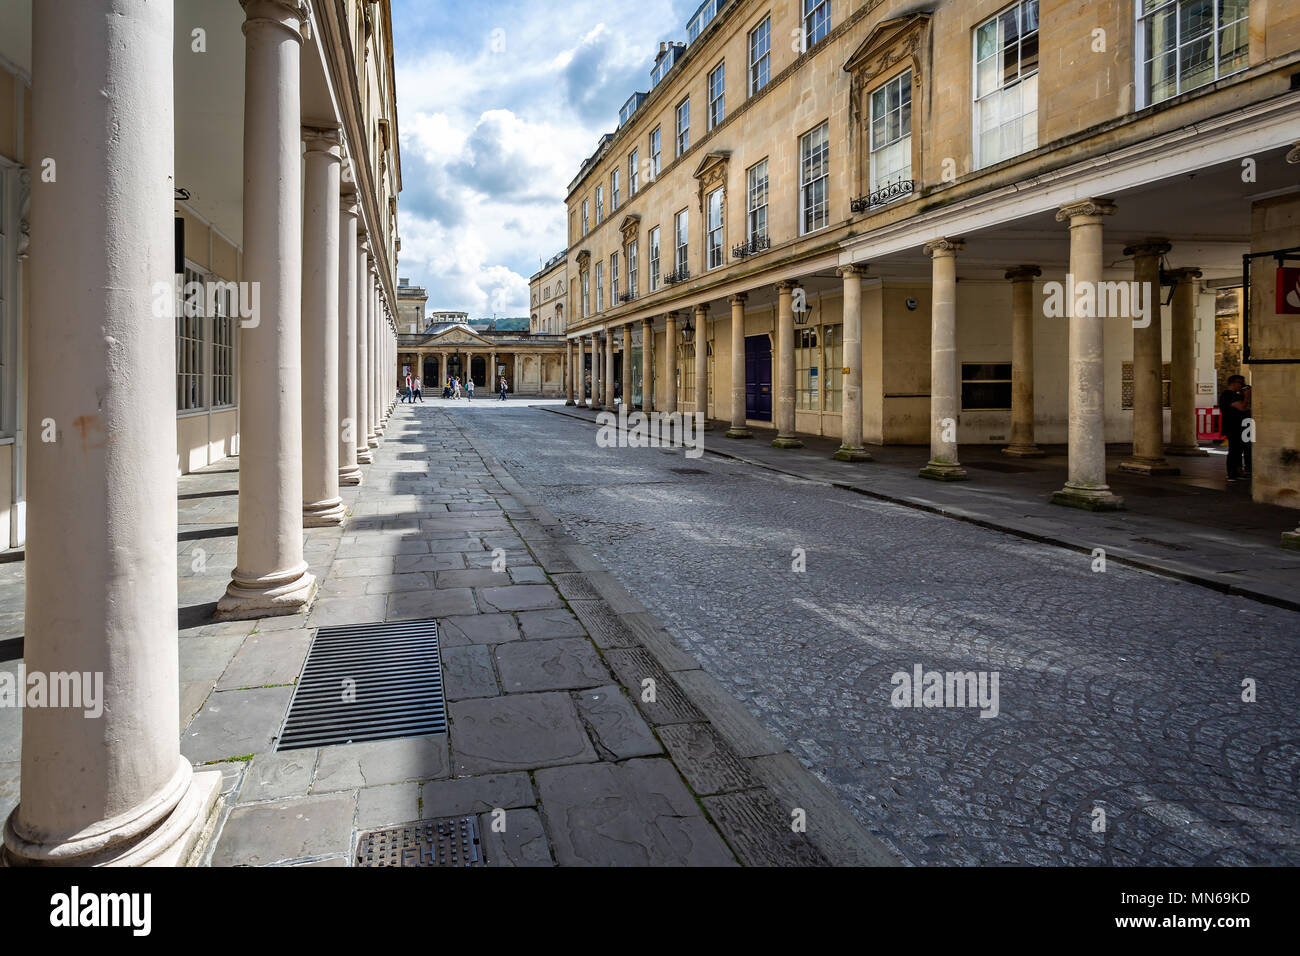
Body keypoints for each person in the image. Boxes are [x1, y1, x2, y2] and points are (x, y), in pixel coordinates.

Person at [1219, 375, 1252, 482]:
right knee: (1234, 450)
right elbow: (1242, 407)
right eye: (1241, 383)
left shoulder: (1236, 395)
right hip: (1233, 426)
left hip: (1240, 426)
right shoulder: (1228, 395)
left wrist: (1244, 396)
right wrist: (1247, 395)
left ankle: (1238, 471)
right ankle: (1231, 473)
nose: (1242, 386)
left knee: (1239, 450)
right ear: (1234, 383)